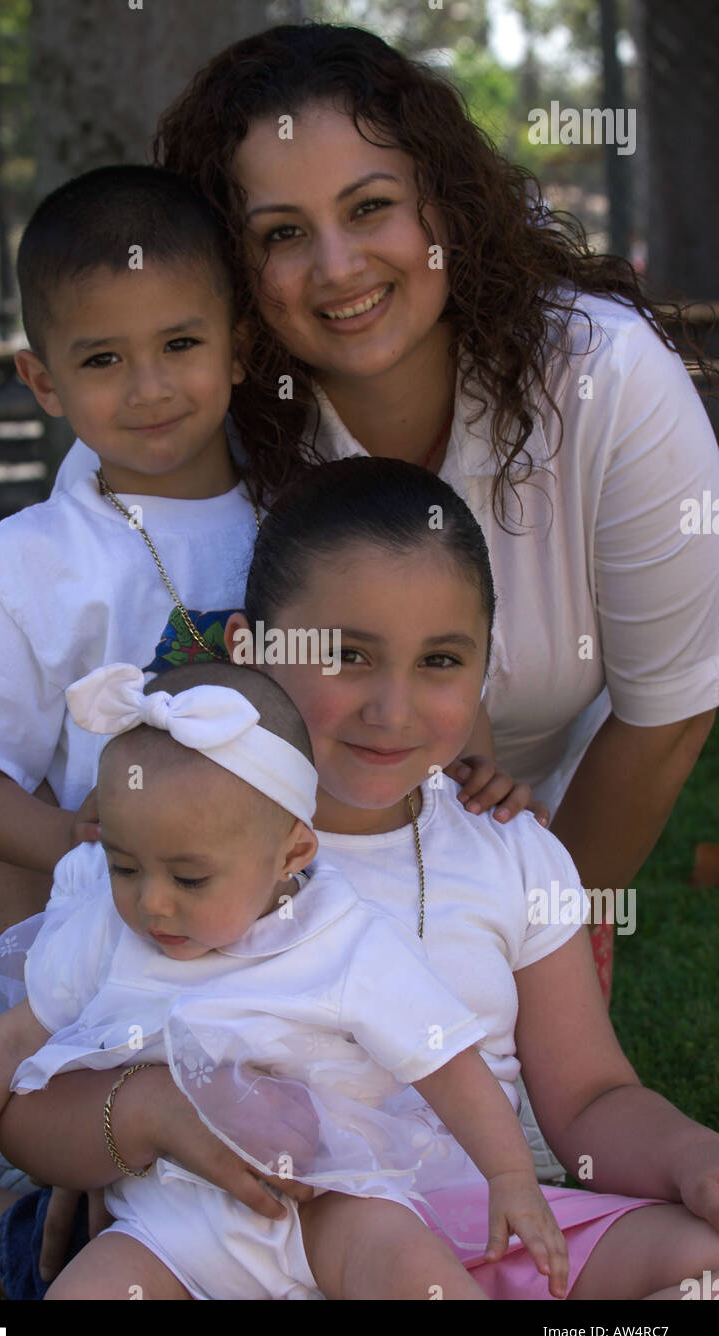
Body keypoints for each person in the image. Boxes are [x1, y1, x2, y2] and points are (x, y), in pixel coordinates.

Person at [53, 22, 719, 1006]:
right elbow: (90, 739)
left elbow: (667, 712)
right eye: (281, 233)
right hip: (251, 894)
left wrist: (522, 949)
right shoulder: (176, 431)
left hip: (514, 853)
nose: (338, 266)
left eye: (371, 208)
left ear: (441, 203)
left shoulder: (609, 377)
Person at [0, 461, 719, 1300]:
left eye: (440, 660)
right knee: (58, 1261)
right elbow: (25, 1108)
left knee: (696, 1258)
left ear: (483, 670)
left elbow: (589, 1098)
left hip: (466, 1237)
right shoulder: (168, 855)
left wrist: (694, 1156)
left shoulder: (510, 852)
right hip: (211, 1252)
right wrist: (141, 1115)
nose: (392, 710)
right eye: (346, 654)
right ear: (249, 648)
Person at [0, 160, 536, 944]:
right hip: (133, 936)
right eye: (102, 360)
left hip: (324, 918)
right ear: (43, 381)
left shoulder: (310, 511)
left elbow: (420, 645)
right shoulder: (26, 563)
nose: (149, 388)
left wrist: (469, 767)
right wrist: (71, 844)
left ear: (237, 349)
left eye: (180, 343)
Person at [0, 663, 571, 1301]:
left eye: (190, 877)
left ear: (291, 851)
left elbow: (446, 1059)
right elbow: (11, 1039)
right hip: (169, 1226)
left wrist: (509, 1177)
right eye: (125, 866)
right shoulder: (107, 932)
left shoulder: (346, 938)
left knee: (417, 1280)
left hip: (333, 1205)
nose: (152, 903)